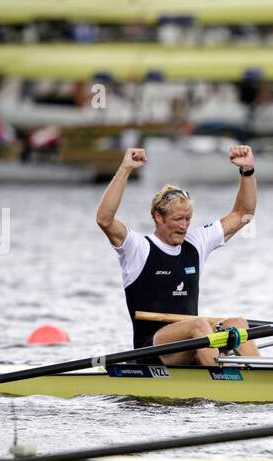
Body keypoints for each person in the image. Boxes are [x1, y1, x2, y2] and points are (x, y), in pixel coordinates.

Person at [96, 145, 259, 366]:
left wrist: (247, 171)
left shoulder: (195, 243)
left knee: (238, 324)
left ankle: (267, 383)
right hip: (151, 349)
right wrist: (125, 168)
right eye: (177, 219)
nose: (184, 226)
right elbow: (105, 220)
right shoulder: (138, 249)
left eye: (188, 219)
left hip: (193, 342)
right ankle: (223, 384)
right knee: (199, 326)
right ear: (158, 217)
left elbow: (243, 215)